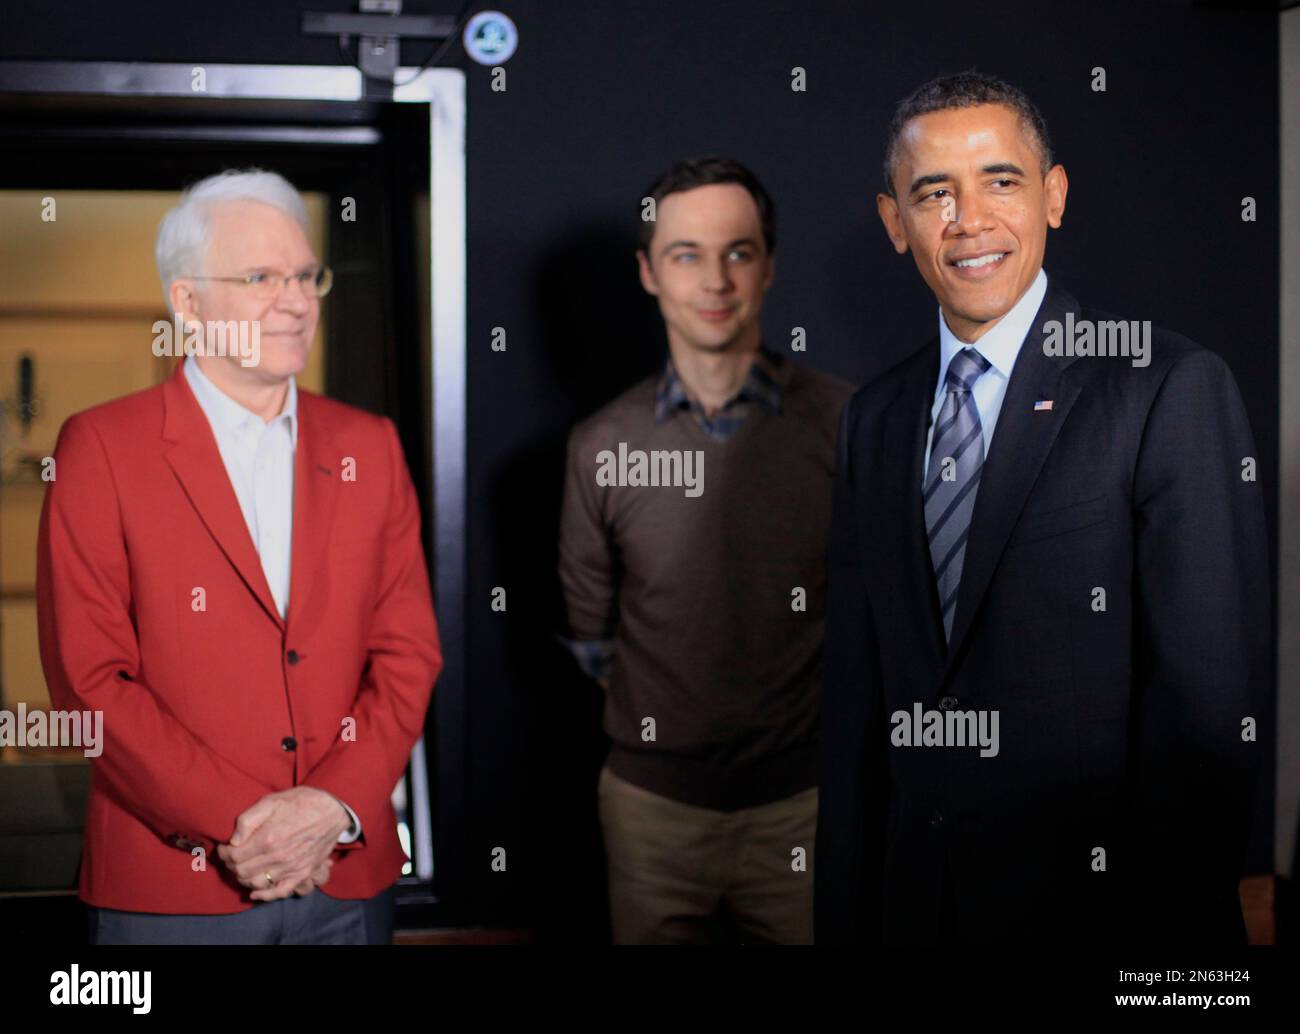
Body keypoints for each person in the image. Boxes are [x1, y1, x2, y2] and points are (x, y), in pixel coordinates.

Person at [815, 72, 1269, 944]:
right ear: (894, 223)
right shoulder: (871, 418)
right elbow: (858, 715)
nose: (969, 220)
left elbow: (1206, 728)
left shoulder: (1165, 388)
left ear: (1053, 196)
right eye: (933, 193)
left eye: (1001, 181)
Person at [36, 168, 441, 944]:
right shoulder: (102, 447)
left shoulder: (370, 445)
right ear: (187, 304)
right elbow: (89, 681)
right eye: (260, 277)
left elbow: (408, 655)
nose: (296, 300)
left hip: (346, 875)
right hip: (170, 888)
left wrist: (331, 809)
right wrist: (254, 831)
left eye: (304, 275)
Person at [559, 157, 854, 944]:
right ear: (649, 272)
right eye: (687, 253)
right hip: (651, 813)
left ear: (769, 265)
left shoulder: (847, 424)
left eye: (739, 251)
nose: (715, 279)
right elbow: (590, 635)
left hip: (807, 808)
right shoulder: (600, 445)